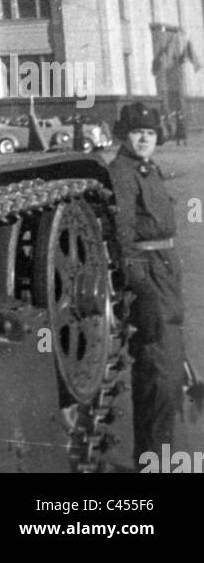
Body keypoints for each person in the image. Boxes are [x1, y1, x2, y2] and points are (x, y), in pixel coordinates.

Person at [107, 102, 185, 470]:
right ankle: (152, 463)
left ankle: (157, 458)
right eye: (137, 132)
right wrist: (142, 289)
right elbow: (123, 237)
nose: (144, 139)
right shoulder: (122, 173)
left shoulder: (147, 168)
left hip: (165, 270)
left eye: (150, 133)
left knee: (169, 371)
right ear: (125, 135)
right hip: (148, 275)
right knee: (159, 374)